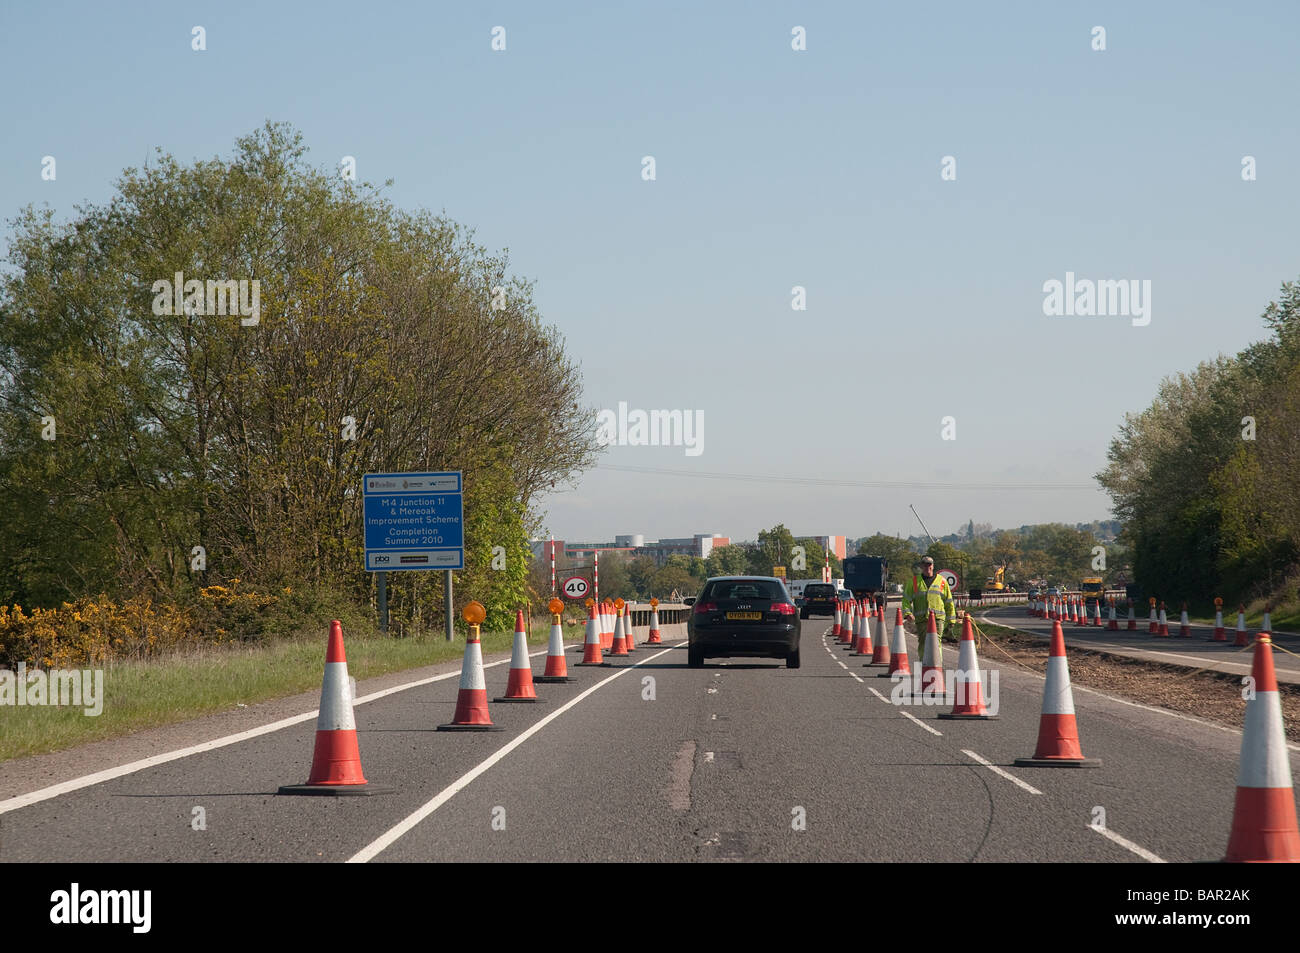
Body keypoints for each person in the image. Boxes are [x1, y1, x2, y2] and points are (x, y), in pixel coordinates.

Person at [901, 556, 957, 642]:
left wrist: (951, 620)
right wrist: (908, 613)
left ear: (933, 566)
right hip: (922, 621)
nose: (927, 567)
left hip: (938, 620)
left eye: (929, 565)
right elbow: (906, 600)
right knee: (924, 644)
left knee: (936, 645)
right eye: (925, 565)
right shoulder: (914, 582)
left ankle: (936, 656)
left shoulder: (942, 581)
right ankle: (923, 656)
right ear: (921, 567)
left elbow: (949, 602)